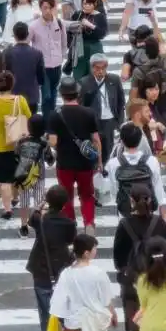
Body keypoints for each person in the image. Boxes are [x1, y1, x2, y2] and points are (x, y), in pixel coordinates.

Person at [113, 184, 166, 331]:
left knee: (133, 309)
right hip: (158, 273)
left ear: (131, 201)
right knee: (157, 307)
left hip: (133, 276)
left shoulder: (124, 224)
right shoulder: (159, 222)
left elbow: (118, 256)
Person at [26, 183, 76, 331]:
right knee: (69, 314)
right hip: (62, 271)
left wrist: (39, 206)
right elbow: (71, 241)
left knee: (46, 317)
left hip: (41, 271)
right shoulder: (69, 223)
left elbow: (31, 220)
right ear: (65, 204)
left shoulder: (41, 220)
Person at [47, 78, 101, 231]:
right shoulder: (89, 113)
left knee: (66, 196)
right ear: (78, 93)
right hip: (85, 163)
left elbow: (52, 141)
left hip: (65, 162)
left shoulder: (55, 115)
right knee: (87, 195)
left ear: (61, 94)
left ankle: (70, 224)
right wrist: (99, 160)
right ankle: (89, 223)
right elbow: (96, 140)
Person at [0, 71, 31, 217]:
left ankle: (7, 208)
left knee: (3, 179)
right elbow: (29, 118)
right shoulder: (20, 100)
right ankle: (15, 198)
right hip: (18, 143)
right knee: (15, 174)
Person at [108, 122, 166, 216]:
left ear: (122, 140)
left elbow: (114, 191)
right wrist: (163, 216)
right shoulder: (152, 161)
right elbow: (158, 190)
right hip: (149, 210)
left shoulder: (113, 163)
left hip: (125, 212)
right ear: (140, 140)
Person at [79, 53, 125, 166]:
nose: (100, 71)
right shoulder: (84, 82)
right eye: (97, 68)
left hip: (109, 120)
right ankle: (96, 170)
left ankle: (107, 170)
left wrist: (119, 121)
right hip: (93, 122)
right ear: (92, 68)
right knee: (95, 150)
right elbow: (81, 105)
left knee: (109, 149)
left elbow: (121, 101)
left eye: (103, 68)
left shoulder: (114, 80)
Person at [4, 23, 44, 115]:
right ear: (27, 34)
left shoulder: (8, 53)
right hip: (31, 94)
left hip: (13, 94)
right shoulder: (37, 53)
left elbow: (6, 74)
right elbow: (41, 77)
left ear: (14, 35)